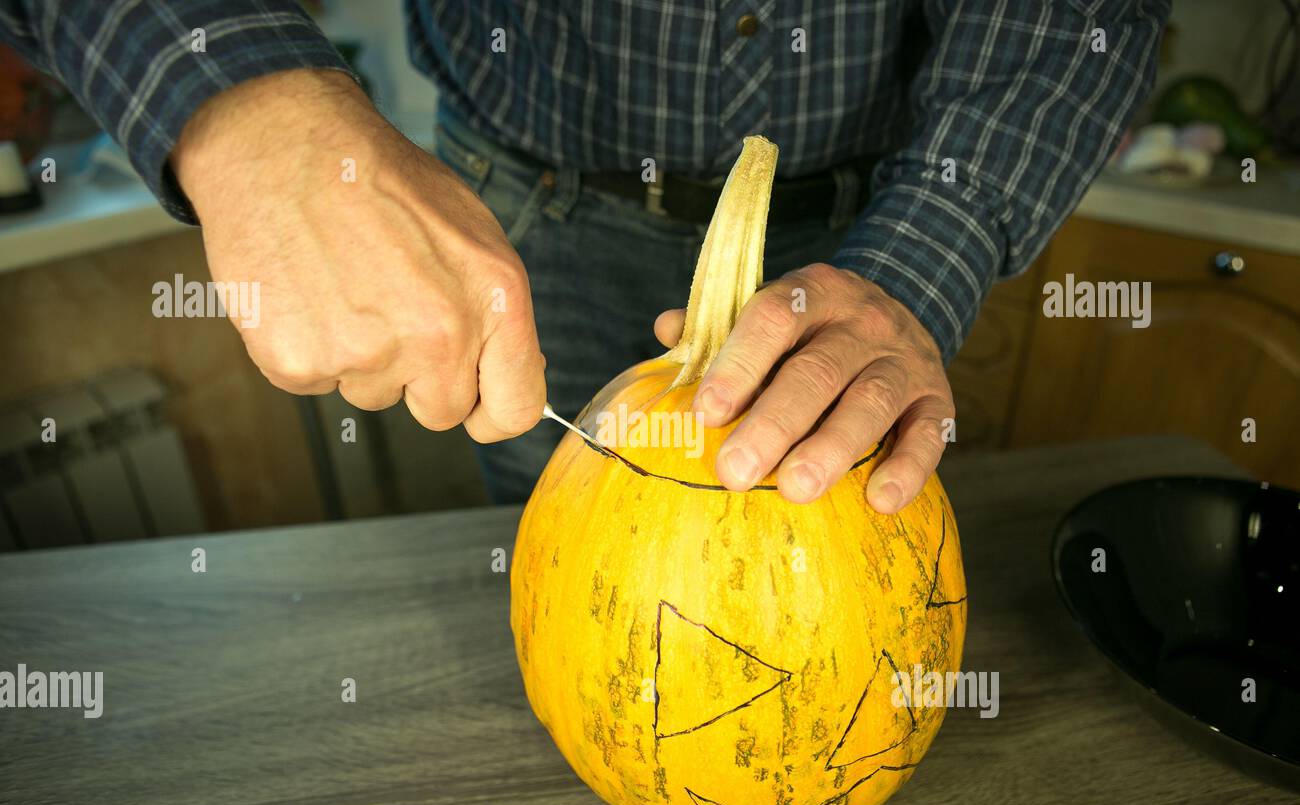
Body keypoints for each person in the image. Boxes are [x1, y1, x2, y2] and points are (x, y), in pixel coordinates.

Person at [0, 1, 1168, 507]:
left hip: (863, 236)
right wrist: (237, 94)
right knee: (566, 561)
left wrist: (926, 258)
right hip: (528, 218)